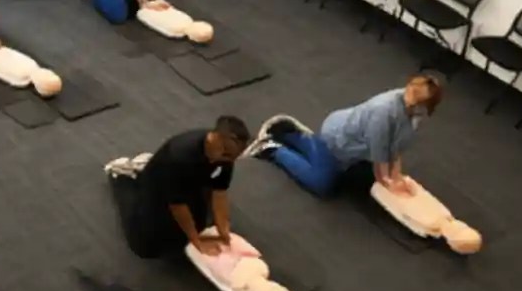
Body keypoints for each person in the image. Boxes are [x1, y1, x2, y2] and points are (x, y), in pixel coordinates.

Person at [248, 74, 443, 197]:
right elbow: (380, 154)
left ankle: (294, 135)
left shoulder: (417, 114)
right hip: (337, 140)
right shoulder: (384, 112)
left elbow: (397, 148)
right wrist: (389, 183)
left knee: (361, 183)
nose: (411, 104)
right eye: (411, 98)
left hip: (359, 148)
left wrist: (397, 176)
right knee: (324, 185)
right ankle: (275, 149)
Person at [106, 116, 252, 259]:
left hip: (192, 180)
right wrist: (196, 241)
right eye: (227, 155)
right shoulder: (180, 156)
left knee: (200, 227)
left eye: (233, 157)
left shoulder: (225, 155)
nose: (229, 161)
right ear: (213, 139)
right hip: (160, 182)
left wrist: (224, 231)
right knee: (145, 248)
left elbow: (220, 192)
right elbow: (178, 206)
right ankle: (122, 176)